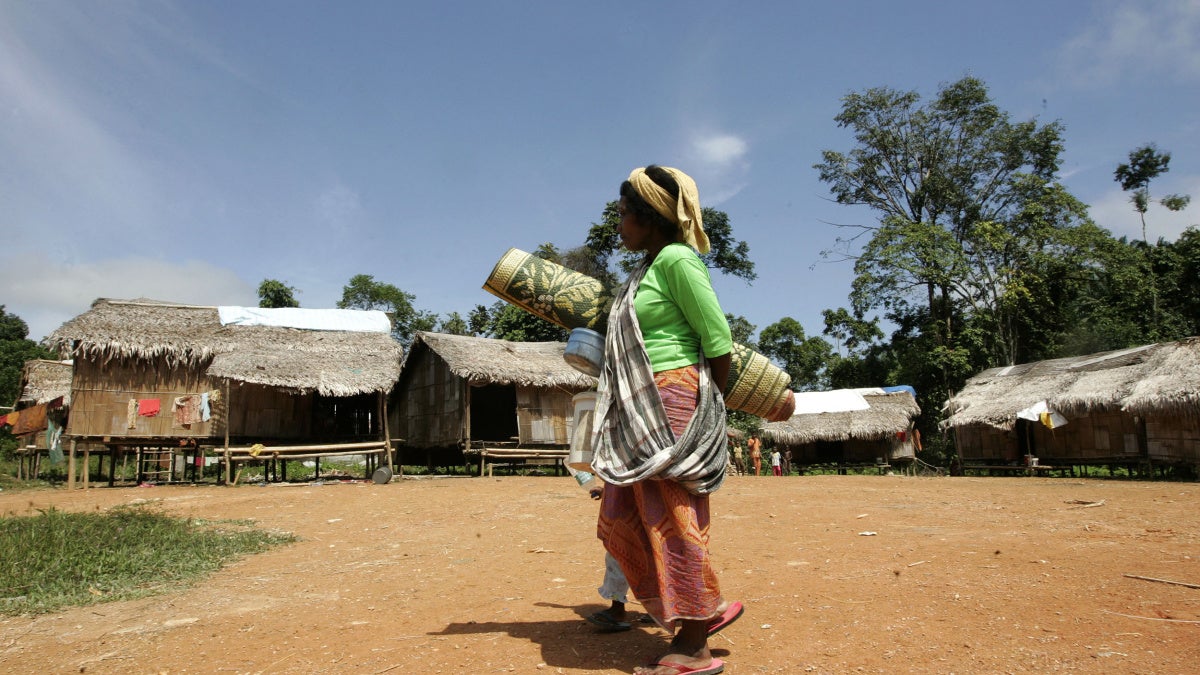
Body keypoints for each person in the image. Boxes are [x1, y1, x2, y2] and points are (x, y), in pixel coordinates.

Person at [590, 165, 740, 675]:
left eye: (623, 214)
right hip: (643, 404)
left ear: (651, 217)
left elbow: (717, 341)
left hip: (672, 404)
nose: (618, 225)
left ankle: (695, 647)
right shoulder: (644, 269)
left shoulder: (678, 260)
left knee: (673, 519)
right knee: (630, 513)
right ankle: (695, 615)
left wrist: (708, 413)